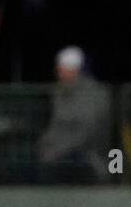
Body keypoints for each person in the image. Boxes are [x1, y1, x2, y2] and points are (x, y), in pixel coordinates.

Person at [37, 46, 110, 184]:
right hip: (59, 153)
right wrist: (45, 145)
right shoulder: (59, 92)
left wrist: (58, 151)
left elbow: (88, 131)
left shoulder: (94, 93)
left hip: (87, 156)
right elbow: (55, 126)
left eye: (62, 70)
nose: (59, 74)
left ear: (74, 70)